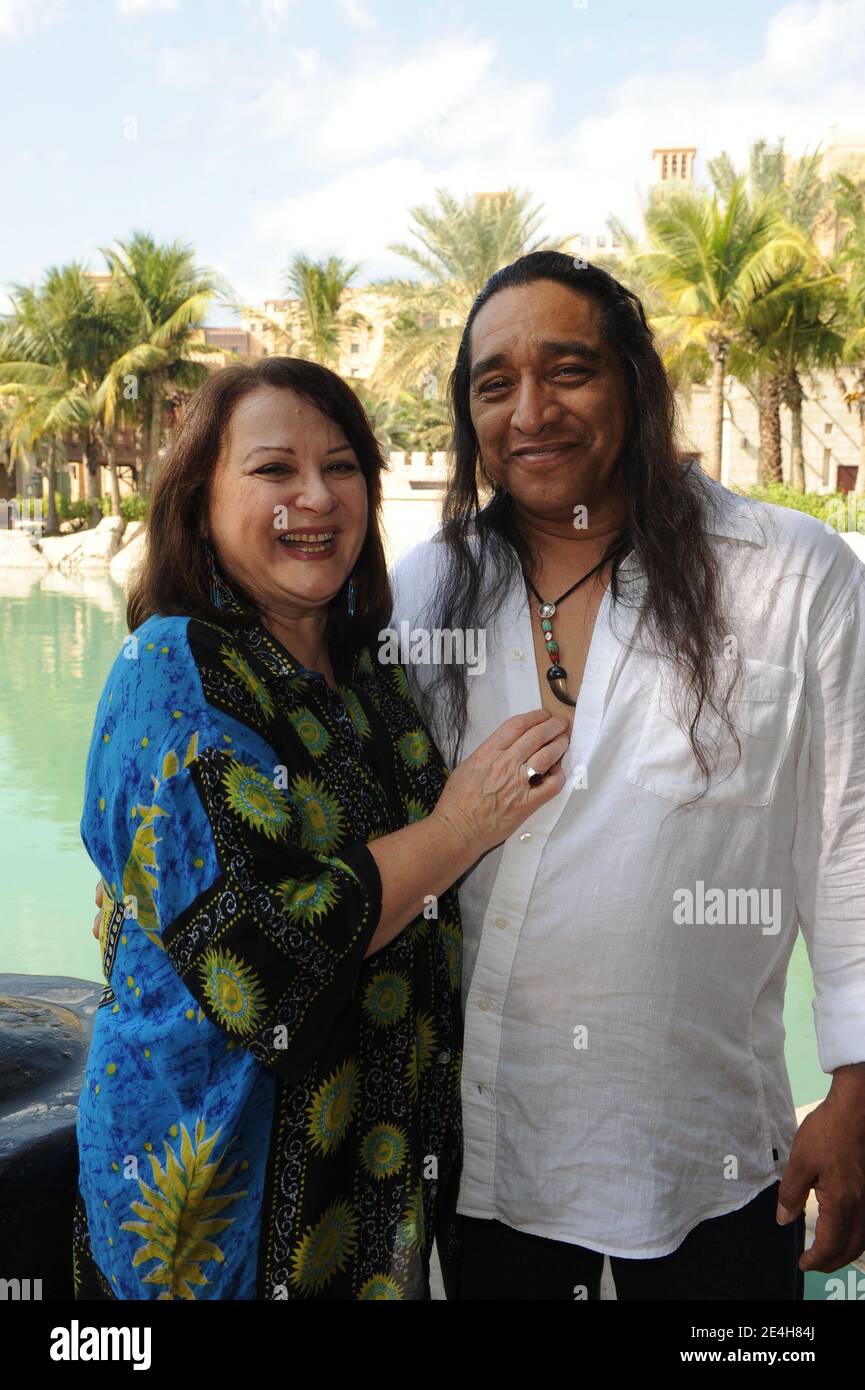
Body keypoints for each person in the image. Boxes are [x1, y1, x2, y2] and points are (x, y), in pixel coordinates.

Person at [392, 250, 865, 1300]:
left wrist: (854, 1089)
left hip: (709, 1160)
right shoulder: (427, 590)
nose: (530, 411)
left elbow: (850, 841)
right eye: (493, 384)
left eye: (569, 370)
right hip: (484, 1153)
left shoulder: (792, 575)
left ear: (636, 386)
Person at [75, 355, 568, 1300]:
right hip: (217, 1215)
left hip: (368, 1201)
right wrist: (461, 825)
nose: (315, 497)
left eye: (342, 468)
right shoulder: (171, 669)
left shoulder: (367, 676)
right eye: (273, 471)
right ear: (200, 500)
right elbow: (254, 965)